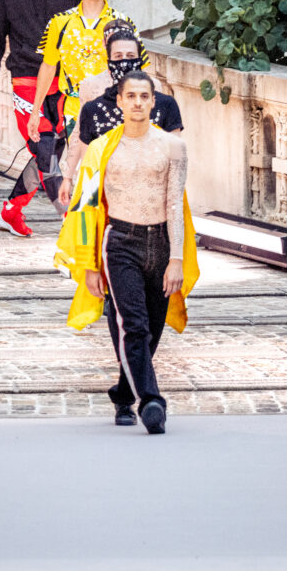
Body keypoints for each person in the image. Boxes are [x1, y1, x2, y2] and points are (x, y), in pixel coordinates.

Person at [54, 71, 199, 435]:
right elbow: (86, 207)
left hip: (161, 243)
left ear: (153, 102)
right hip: (119, 242)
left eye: (144, 97)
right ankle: (151, 400)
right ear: (119, 102)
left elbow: (176, 205)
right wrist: (88, 264)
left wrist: (177, 258)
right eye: (130, 96)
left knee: (151, 329)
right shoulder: (101, 149)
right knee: (132, 325)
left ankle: (122, 391)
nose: (137, 103)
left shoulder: (173, 147)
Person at [0, 0, 81, 237]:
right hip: (25, 79)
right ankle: (71, 224)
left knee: (52, 152)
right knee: (45, 150)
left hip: (65, 81)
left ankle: (10, 211)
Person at [26, 0, 134, 203]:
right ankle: (83, 227)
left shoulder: (122, 23)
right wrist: (35, 111)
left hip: (113, 111)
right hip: (74, 110)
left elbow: (139, 72)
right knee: (79, 171)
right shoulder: (60, 23)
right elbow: (48, 65)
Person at [62, 23, 182, 182]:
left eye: (130, 55)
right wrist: (68, 176)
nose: (124, 60)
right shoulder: (90, 85)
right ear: (106, 46)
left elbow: (168, 137)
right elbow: (80, 132)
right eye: (118, 54)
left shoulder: (154, 86)